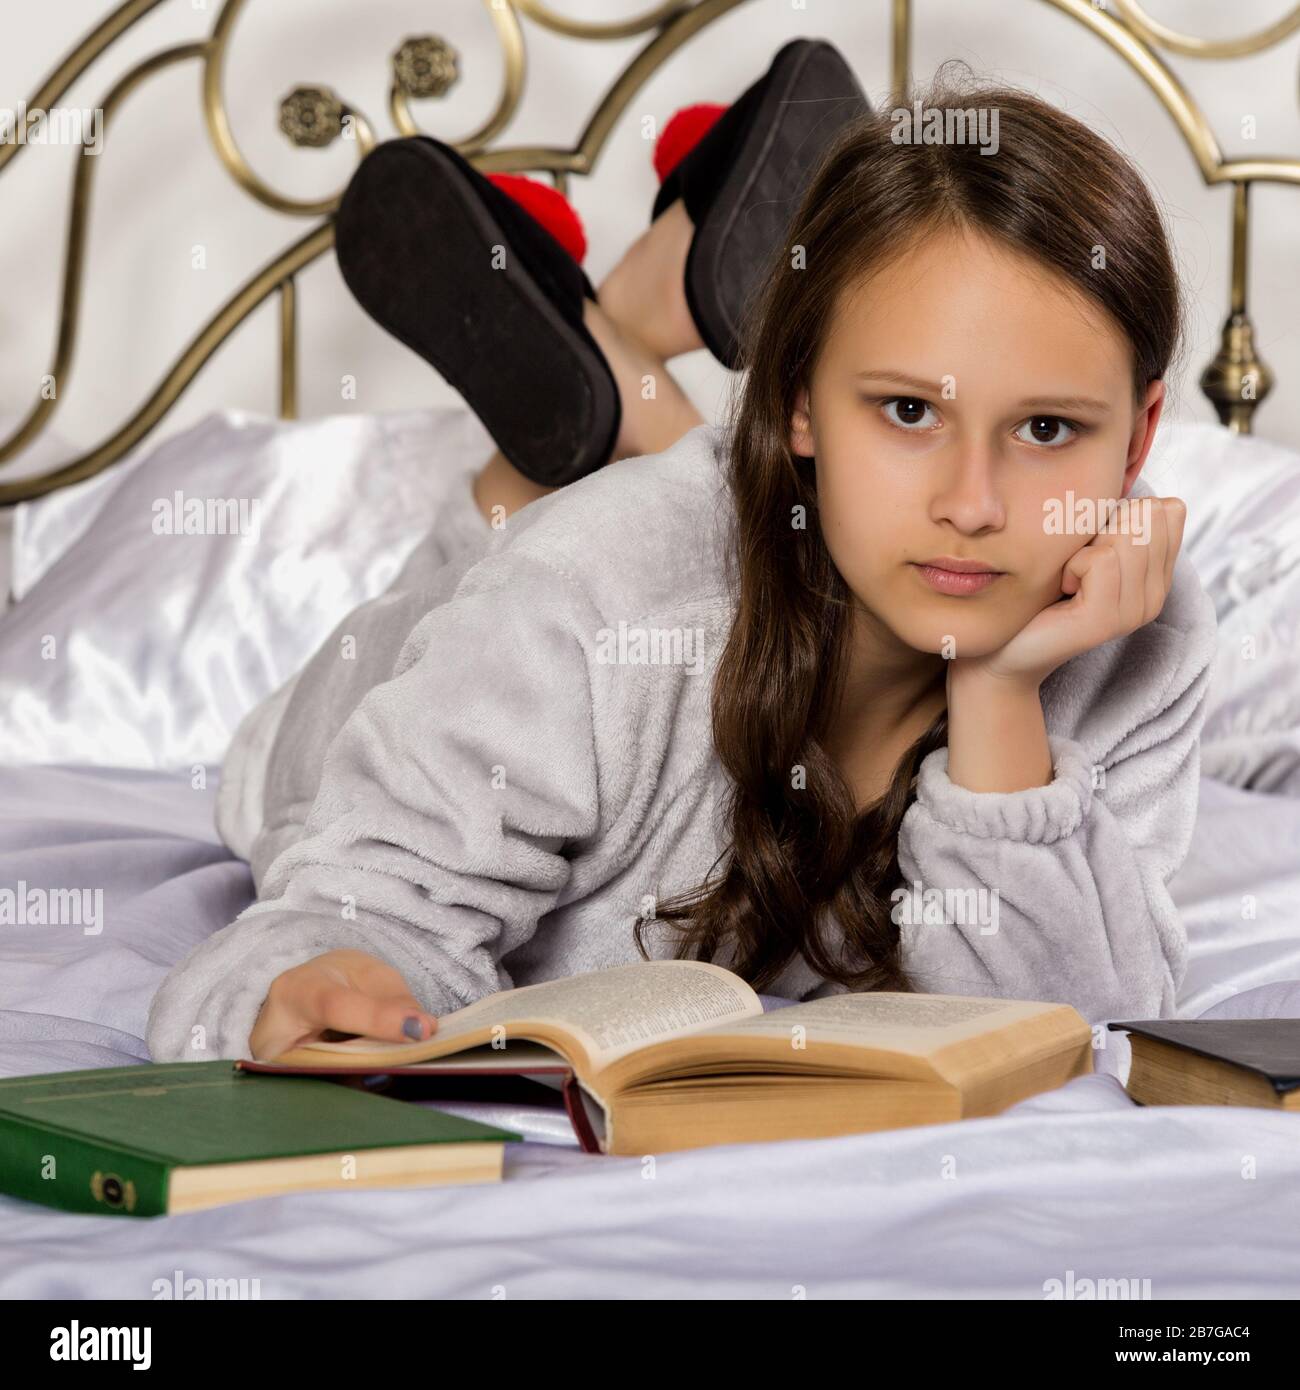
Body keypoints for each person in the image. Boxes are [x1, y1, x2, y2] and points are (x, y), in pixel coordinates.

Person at [147, 53, 1217, 1066]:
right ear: (792, 396)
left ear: (1137, 436)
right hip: (370, 693)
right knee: (568, 554)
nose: (973, 507)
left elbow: (1080, 1028)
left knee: (716, 533)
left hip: (700, 549)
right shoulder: (592, 596)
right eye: (905, 409)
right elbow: (340, 916)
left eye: (1044, 432)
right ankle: (595, 367)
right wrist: (315, 987)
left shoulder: (1135, 630)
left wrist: (999, 691)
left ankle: (619, 332)